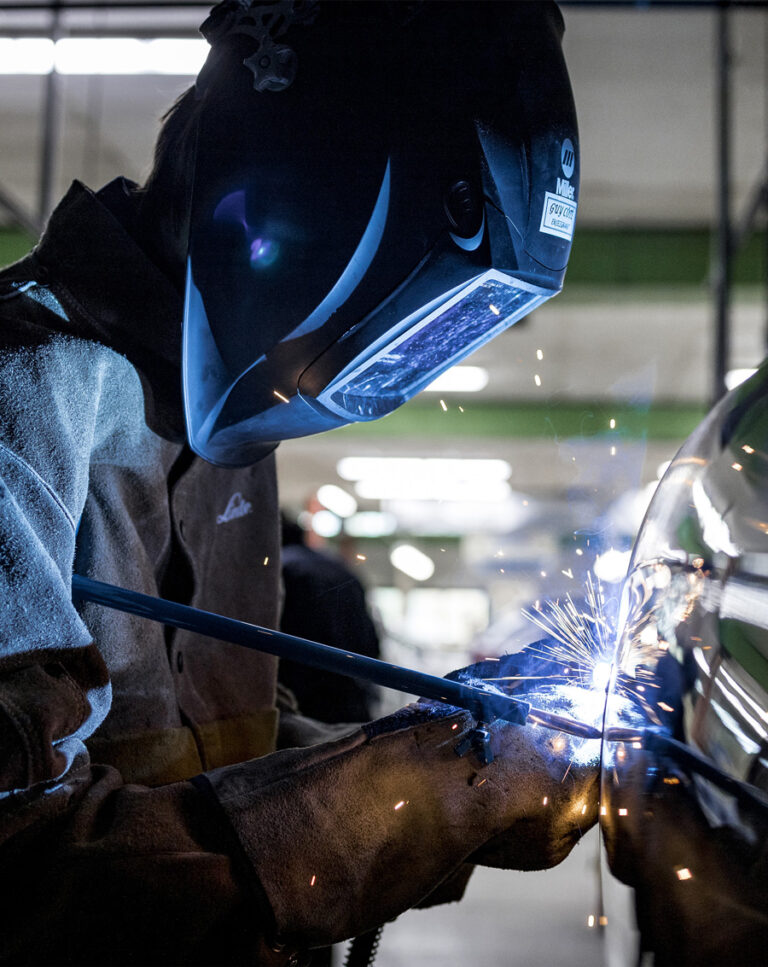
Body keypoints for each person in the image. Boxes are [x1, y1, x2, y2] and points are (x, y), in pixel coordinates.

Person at [0, 3, 595, 965]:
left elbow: (212, 752)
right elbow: (24, 869)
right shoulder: (18, 394)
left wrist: (432, 760)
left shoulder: (223, 421)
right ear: (287, 197)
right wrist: (409, 800)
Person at [278, 512, 381, 724]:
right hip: (351, 693)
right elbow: (371, 642)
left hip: (303, 701)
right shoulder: (340, 569)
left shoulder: (280, 571)